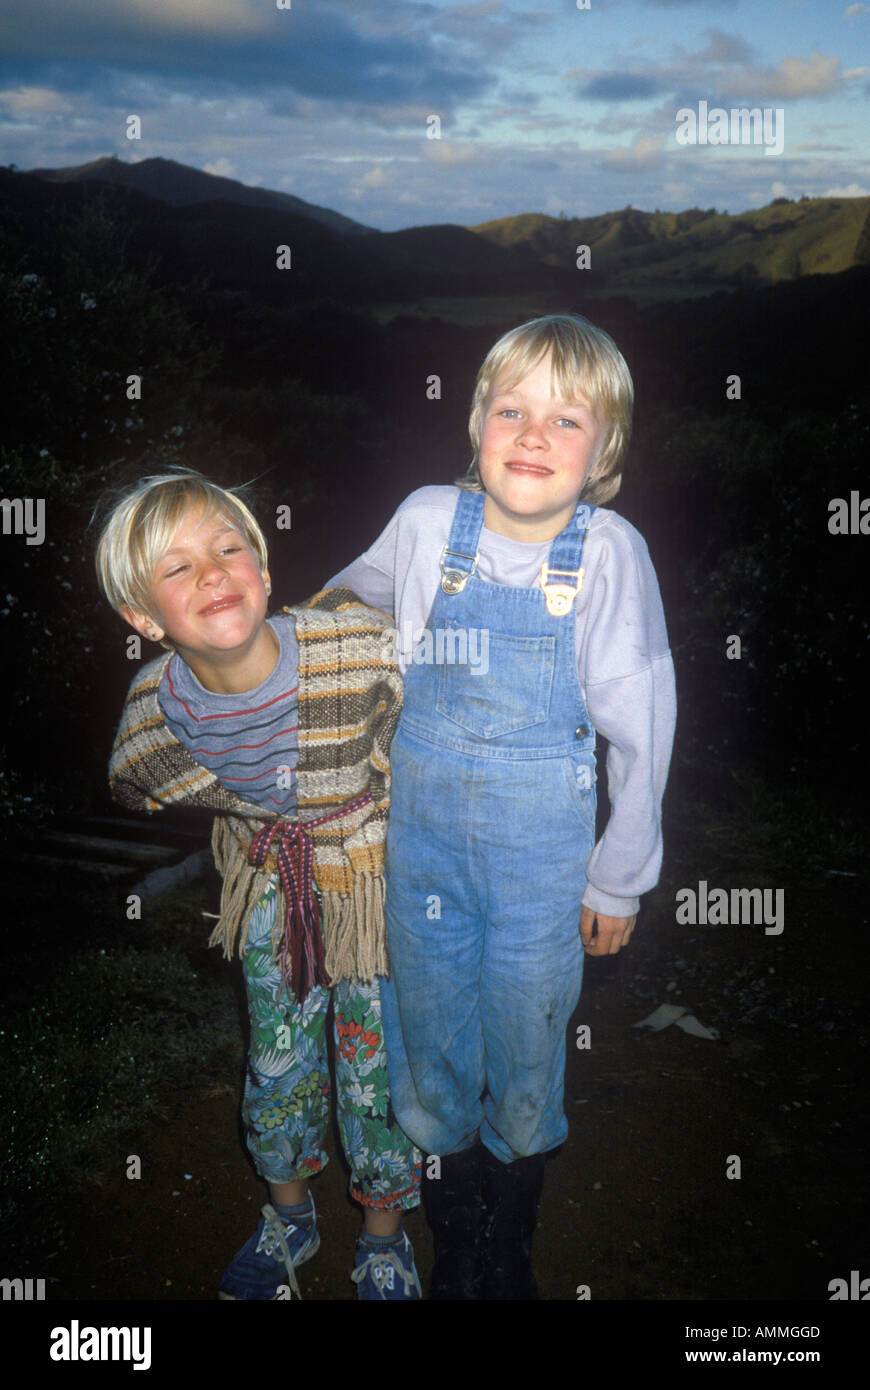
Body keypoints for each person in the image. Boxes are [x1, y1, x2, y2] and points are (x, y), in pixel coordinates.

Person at [325, 313, 676, 1299]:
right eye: (511, 408)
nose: (533, 434)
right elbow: (353, 601)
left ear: (605, 451)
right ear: (476, 420)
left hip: (542, 866)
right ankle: (458, 1237)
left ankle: (509, 1243)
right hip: (422, 853)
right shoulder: (431, 521)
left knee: (525, 1043)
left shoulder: (610, 555)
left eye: (568, 419)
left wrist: (618, 874)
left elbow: (643, 721)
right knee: (430, 1039)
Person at [96, 469, 422, 1300]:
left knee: (378, 1068)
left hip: (372, 888)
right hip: (273, 889)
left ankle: (384, 1239)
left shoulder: (356, 648)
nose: (210, 572)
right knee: (276, 1064)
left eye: (227, 547)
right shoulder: (157, 710)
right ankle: (290, 1215)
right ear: (143, 620)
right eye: (176, 569)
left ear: (265, 571)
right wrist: (243, 820)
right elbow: (135, 776)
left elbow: (429, 717)